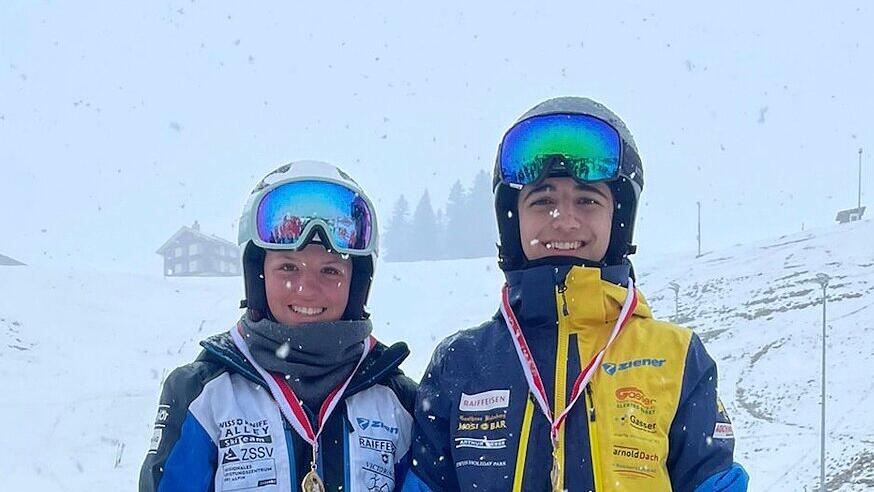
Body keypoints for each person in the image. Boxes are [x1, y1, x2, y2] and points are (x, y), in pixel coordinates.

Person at [402, 98, 749, 491]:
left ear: (617, 218)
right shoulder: (460, 362)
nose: (564, 221)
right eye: (542, 201)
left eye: (587, 200)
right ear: (512, 218)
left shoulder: (677, 358)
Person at [140, 161, 417, 492]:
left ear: (356, 284)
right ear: (257, 275)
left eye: (330, 271)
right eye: (288, 268)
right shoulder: (203, 394)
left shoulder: (397, 401)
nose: (307, 289)